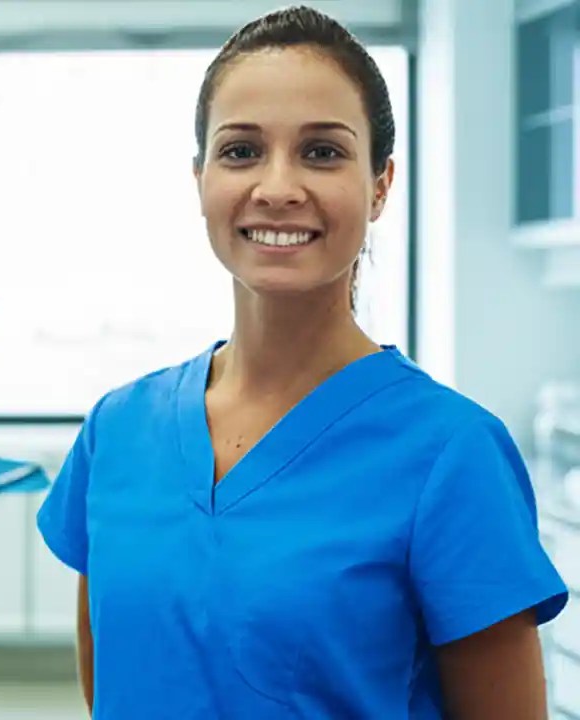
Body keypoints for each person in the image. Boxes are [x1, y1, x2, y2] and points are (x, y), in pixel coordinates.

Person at [35, 6, 568, 719]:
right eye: (240, 151)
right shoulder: (119, 431)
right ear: (200, 180)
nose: (278, 186)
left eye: (322, 152)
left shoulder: (450, 453)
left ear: (380, 184)